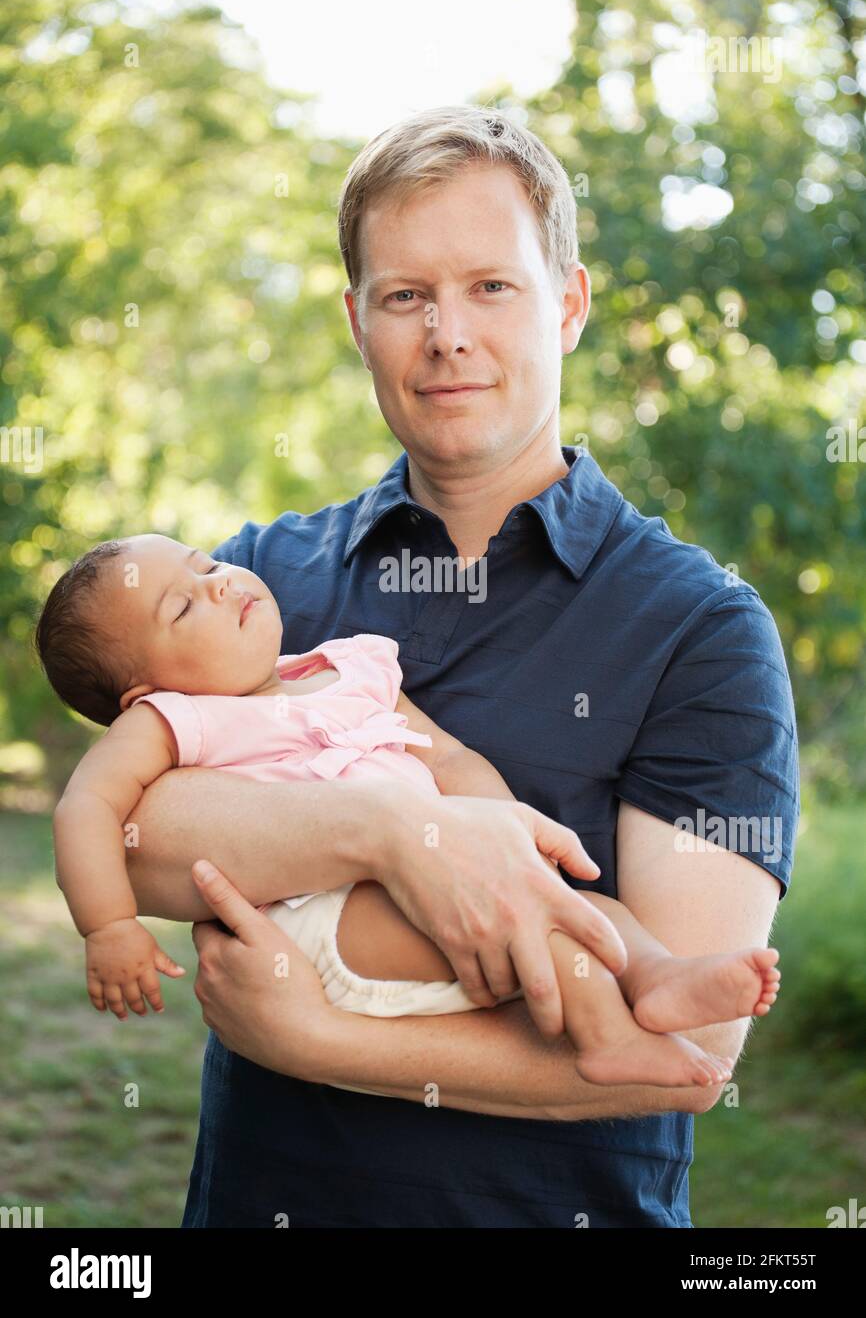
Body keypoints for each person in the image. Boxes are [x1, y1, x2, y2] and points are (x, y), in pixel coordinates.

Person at [102, 105, 798, 1227]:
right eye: (404, 295)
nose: (446, 334)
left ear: (567, 304)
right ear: (357, 321)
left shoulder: (698, 629)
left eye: (490, 286)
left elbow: (689, 1043)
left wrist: (318, 1041)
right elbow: (133, 837)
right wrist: (391, 831)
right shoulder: (257, 586)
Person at [38, 534, 780, 1091]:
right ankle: (605, 1038)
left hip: (433, 886)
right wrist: (108, 927)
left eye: (206, 565)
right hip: (330, 917)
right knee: (541, 933)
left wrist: (508, 834)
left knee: (580, 910)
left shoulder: (349, 667)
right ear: (141, 688)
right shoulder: (175, 718)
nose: (222, 583)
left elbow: (449, 760)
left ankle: (654, 976)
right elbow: (91, 807)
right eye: (183, 604)